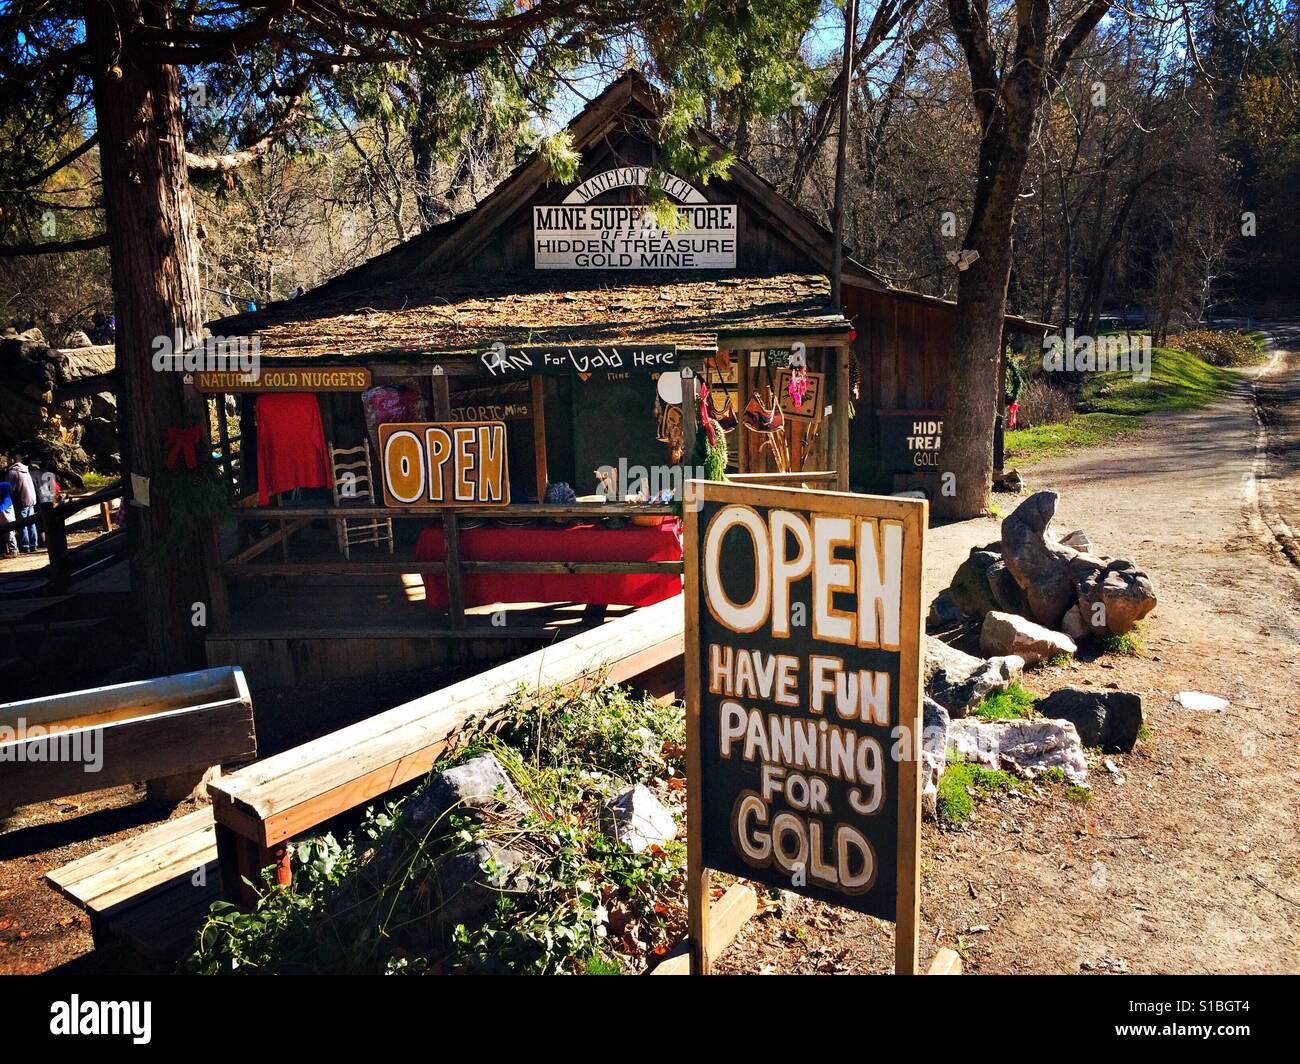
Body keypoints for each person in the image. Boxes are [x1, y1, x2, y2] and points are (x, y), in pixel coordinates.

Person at [7, 452, 37, 554]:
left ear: (12, 460)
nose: (6, 462)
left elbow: (10, 489)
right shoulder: (25, 470)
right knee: (31, 523)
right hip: (31, 500)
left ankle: (25, 546)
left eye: (7, 460)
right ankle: (34, 544)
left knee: (23, 524)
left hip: (22, 501)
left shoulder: (13, 472)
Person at [0, 479, 16, 557]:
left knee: (10, 536)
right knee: (4, 537)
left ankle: (14, 551)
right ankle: (6, 552)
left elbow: (2, 507)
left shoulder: (7, 499)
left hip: (8, 521)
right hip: (3, 521)